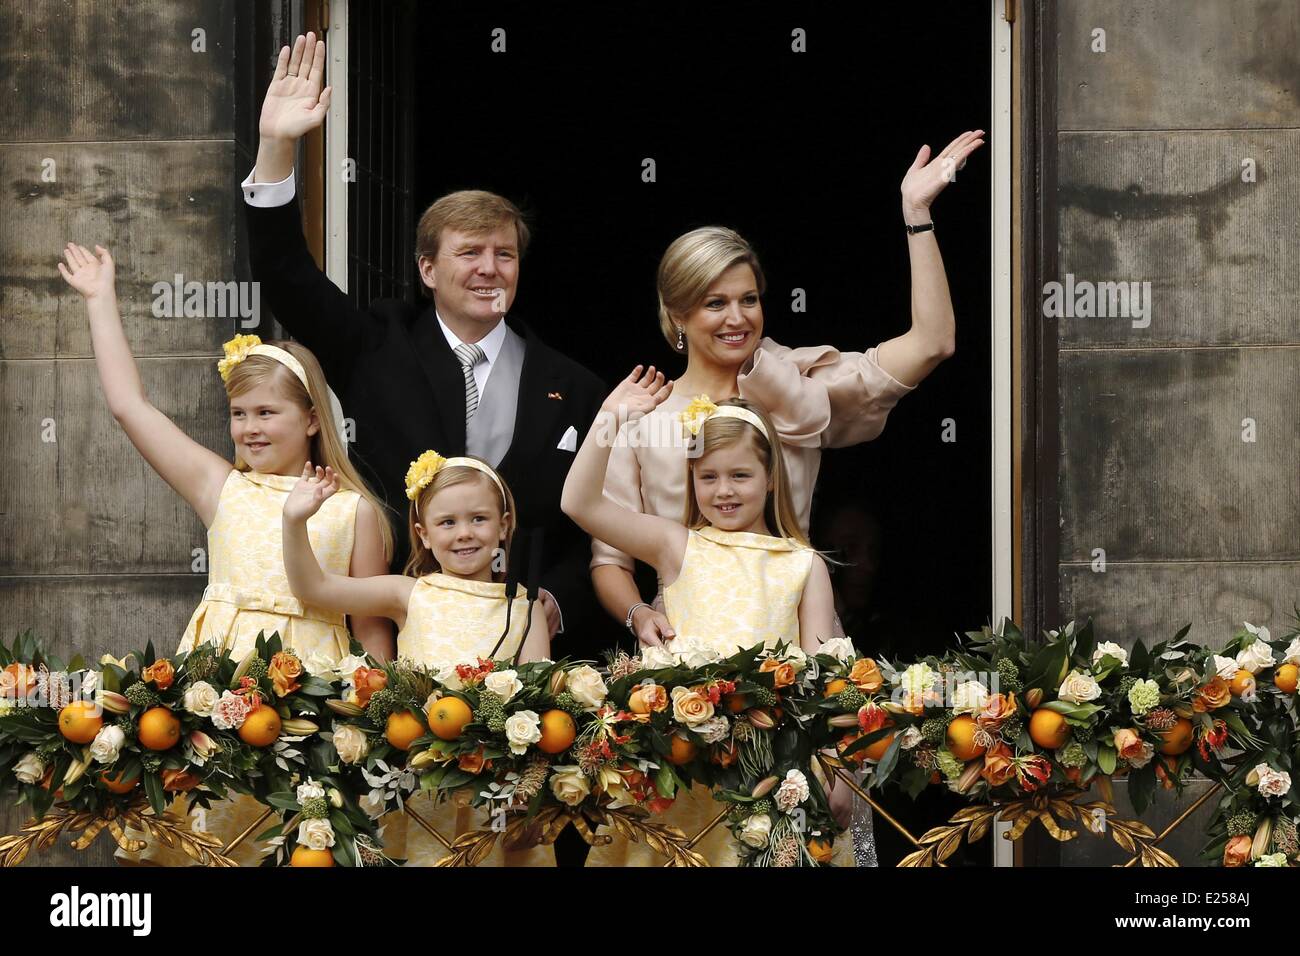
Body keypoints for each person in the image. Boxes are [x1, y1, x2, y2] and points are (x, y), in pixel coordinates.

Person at [588, 132, 982, 863]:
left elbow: (933, 342)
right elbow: (608, 558)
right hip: (681, 689)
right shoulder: (640, 415)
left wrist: (916, 216)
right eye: (713, 303)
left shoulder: (795, 385)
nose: (736, 318)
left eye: (748, 299)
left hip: (795, 675)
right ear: (675, 317)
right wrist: (640, 612)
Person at [242, 33, 604, 659]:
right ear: (428, 270)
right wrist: (277, 147)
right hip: (392, 641)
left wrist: (555, 601)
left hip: (522, 655)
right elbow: (285, 276)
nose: (490, 268)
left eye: (505, 255)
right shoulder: (374, 346)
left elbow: (590, 527)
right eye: (470, 253)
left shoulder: (573, 386)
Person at [57, 242, 394, 866]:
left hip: (314, 691)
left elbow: (373, 632)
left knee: (301, 840)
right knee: (211, 836)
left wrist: (376, 729)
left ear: (314, 418)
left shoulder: (356, 511)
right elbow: (131, 408)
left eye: (268, 412)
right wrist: (102, 300)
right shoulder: (221, 486)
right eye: (239, 414)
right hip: (217, 682)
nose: (250, 428)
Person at [561, 368, 854, 865]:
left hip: (771, 776)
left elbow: (827, 679)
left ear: (769, 479)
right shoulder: (676, 545)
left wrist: (841, 771)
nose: (723, 491)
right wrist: (610, 419)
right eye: (708, 477)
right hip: (682, 773)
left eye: (740, 475)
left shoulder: (803, 563)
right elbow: (578, 502)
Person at [282, 453, 552, 865]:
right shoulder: (408, 594)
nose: (464, 533)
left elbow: (539, 710)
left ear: (504, 524)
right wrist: (295, 520)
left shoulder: (527, 608)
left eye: (478, 518)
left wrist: (531, 797)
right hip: (417, 787)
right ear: (423, 534)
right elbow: (312, 586)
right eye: (448, 523)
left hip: (499, 792)